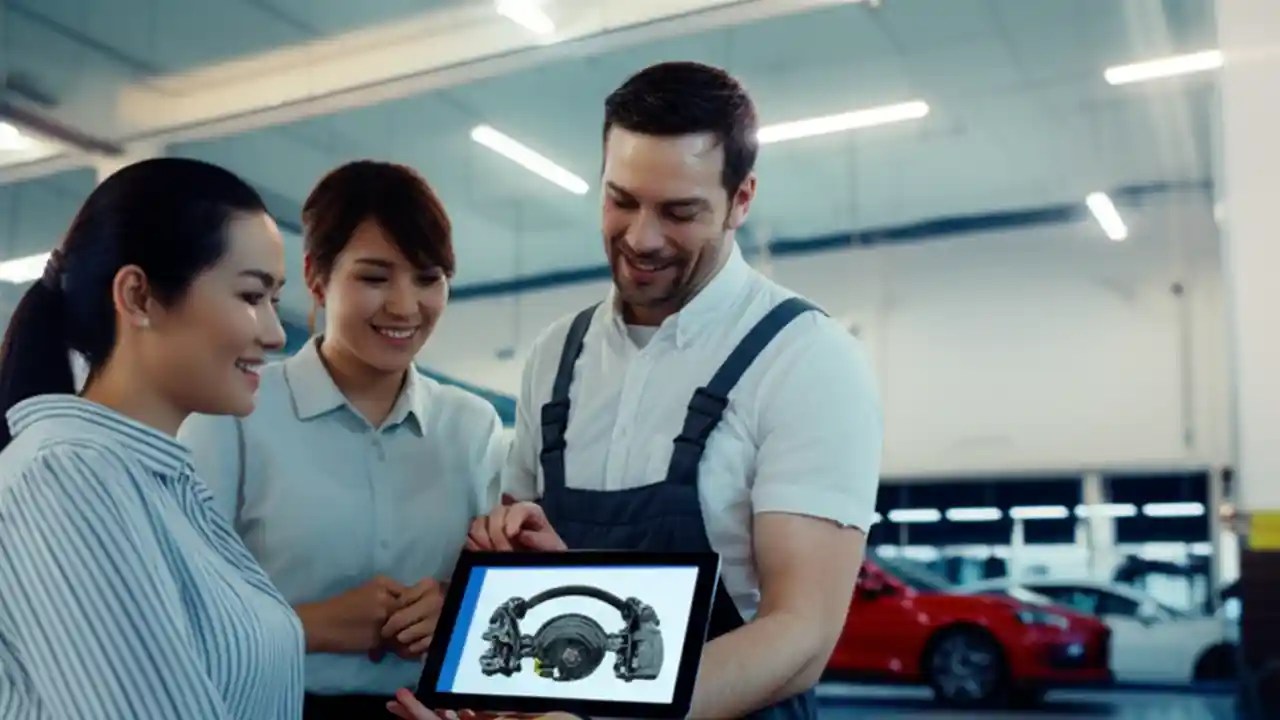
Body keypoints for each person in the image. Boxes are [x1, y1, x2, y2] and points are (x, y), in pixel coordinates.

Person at [467, 61, 883, 719]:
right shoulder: (553, 356)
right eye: (620, 199)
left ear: (741, 200)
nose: (641, 238)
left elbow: (802, 634)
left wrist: (601, 715)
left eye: (679, 211)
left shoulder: (805, 359)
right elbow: (537, 602)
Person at [178, 160, 509, 719]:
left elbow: (502, 605)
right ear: (315, 275)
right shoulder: (234, 413)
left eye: (428, 278)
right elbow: (179, 612)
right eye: (375, 278)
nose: (405, 306)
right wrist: (310, 626)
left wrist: (458, 608)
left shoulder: (471, 427)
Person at [0, 157, 304, 718]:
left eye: (274, 300)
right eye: (250, 296)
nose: (276, 332)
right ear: (138, 296)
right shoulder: (67, 477)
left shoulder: (164, 483)